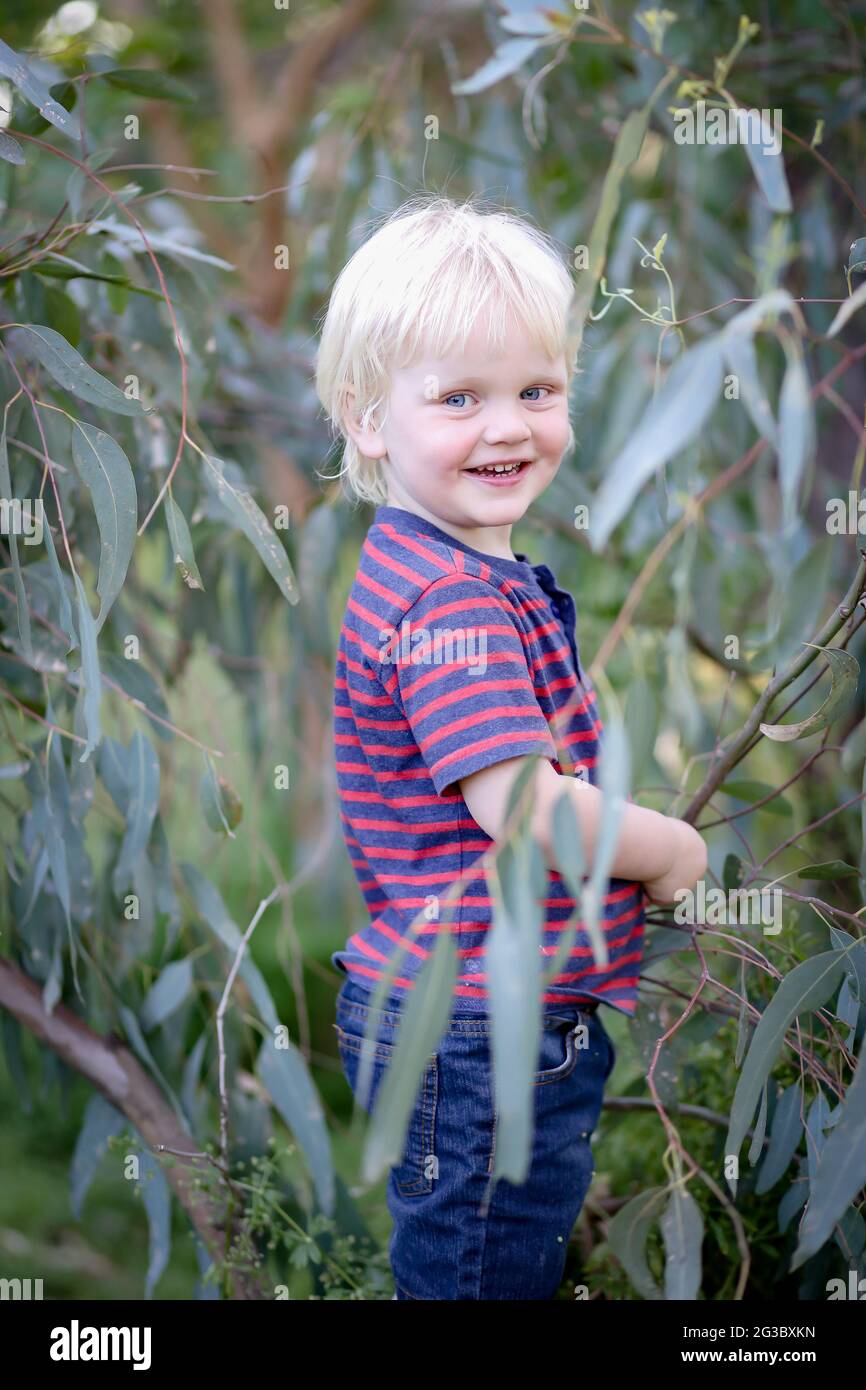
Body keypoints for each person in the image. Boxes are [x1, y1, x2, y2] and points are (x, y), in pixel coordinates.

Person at [314, 194, 707, 1300]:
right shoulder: (451, 599)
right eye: (459, 398)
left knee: (481, 1257)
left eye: (535, 390)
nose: (506, 427)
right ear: (366, 418)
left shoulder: (427, 562)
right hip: (482, 1019)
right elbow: (522, 808)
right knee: (480, 1274)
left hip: (467, 1007)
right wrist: (667, 850)